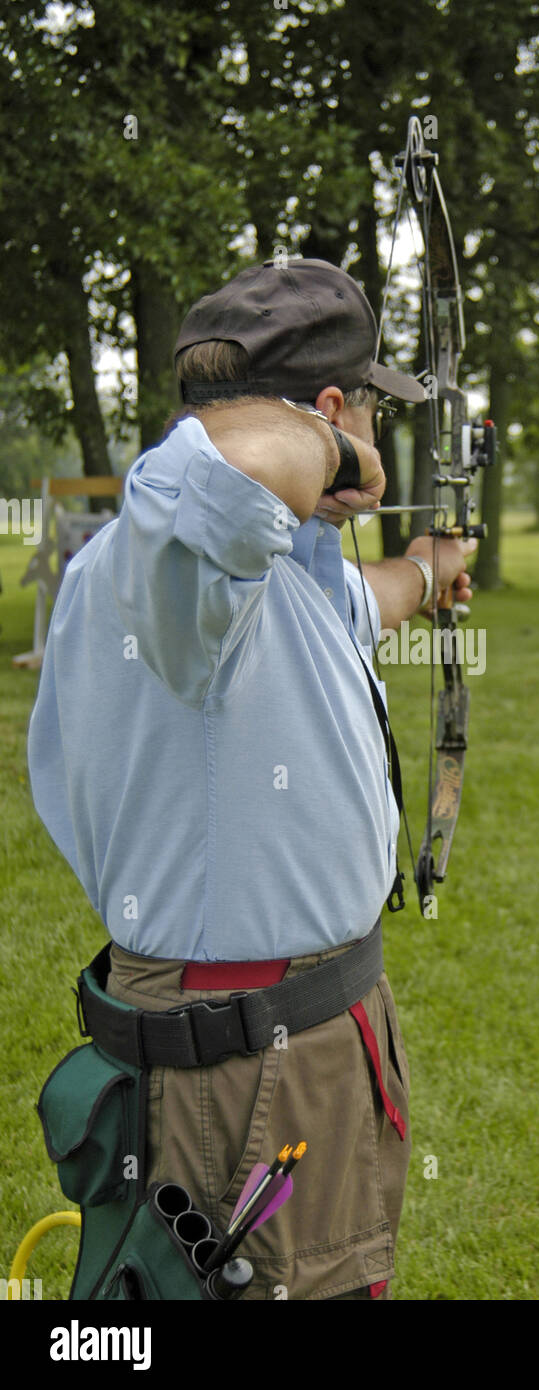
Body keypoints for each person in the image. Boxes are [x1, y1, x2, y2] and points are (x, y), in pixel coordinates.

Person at [28, 258, 477, 1300]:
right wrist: (337, 448)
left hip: (305, 1030)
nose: (373, 425)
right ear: (329, 410)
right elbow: (224, 468)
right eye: (363, 402)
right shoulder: (174, 559)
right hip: (248, 1063)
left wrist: (425, 568)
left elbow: (348, 611)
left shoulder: (258, 575)